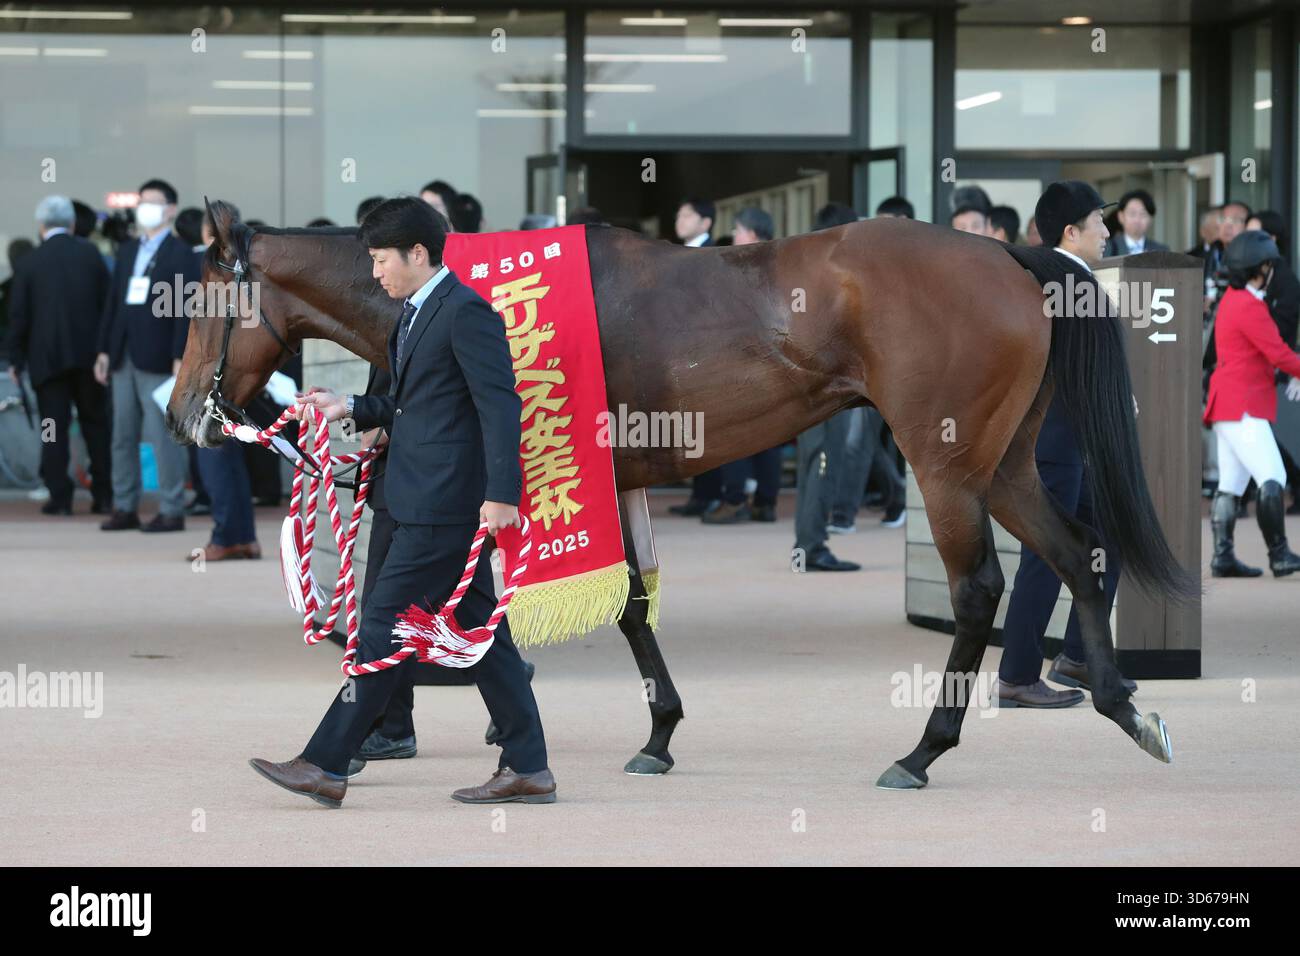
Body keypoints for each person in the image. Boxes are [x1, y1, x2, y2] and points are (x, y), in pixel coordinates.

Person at [250, 197, 554, 807]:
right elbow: (421, 405)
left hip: (443, 505)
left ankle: (325, 763)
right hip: (422, 496)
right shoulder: (413, 313)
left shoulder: (466, 312)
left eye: (382, 259)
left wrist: (502, 495)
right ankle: (528, 766)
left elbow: (501, 408)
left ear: (419, 253)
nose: (376, 272)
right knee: (478, 631)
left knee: (381, 625)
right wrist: (354, 407)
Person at [996, 180, 1138, 708]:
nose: (1107, 229)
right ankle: (1016, 676)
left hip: (1069, 441)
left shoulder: (1067, 278)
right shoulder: (1059, 282)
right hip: (1054, 442)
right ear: (1071, 231)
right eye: (1098, 221)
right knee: (1046, 555)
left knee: (1106, 540)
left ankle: (1080, 658)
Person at [96, 178, 197, 533]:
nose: (144, 208)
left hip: (158, 359)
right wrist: (104, 350)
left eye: (151, 202)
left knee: (161, 437)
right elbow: (114, 303)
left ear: (170, 209)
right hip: (123, 356)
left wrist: (179, 355)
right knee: (121, 435)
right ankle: (124, 505)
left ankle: (171, 508)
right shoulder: (126, 250)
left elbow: (185, 308)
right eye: (141, 202)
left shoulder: (180, 253)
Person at [5, 196, 112, 515]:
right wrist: (105, 351)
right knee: (96, 424)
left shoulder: (30, 262)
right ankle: (103, 495)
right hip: (90, 359)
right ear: (73, 223)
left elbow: (18, 317)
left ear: (41, 226)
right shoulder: (91, 255)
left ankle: (60, 497)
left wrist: (15, 359)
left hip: (47, 361)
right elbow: (108, 306)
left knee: (53, 427)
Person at [1203, 230, 1300, 578]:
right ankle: (1280, 554)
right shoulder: (1250, 306)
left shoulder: (1233, 298)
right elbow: (1280, 354)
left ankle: (1223, 557)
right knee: (1273, 474)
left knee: (1230, 483)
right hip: (1243, 404)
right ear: (1262, 268)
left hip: (1227, 403)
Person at [790, 202, 862, 572]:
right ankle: (812, 545)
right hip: (828, 385)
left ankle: (806, 544)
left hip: (806, 386)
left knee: (811, 464)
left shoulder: (804, 266)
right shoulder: (833, 273)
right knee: (823, 463)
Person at [703, 206, 783, 524]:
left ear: (751, 233)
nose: (734, 236)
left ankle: (734, 499)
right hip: (774, 359)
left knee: (731, 431)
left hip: (739, 359)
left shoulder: (739, 265)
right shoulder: (780, 262)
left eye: (737, 230)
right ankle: (766, 502)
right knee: (772, 432)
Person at [188, 207, 259, 561]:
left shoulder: (213, 264)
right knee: (228, 457)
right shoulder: (246, 265)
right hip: (238, 372)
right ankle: (242, 536)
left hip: (212, 373)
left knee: (214, 456)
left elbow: (196, 322)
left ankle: (228, 535)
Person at [669, 197, 725, 516]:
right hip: (683, 350)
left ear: (706, 223)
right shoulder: (676, 255)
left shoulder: (712, 254)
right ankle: (701, 495)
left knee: (709, 422)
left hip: (705, 348)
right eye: (679, 213)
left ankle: (714, 494)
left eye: (687, 214)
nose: (680, 219)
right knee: (693, 424)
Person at [1103, 189, 1168, 257]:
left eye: (1143, 214)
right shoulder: (1107, 248)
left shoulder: (1161, 251)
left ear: (1150, 219)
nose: (1137, 220)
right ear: (1121, 216)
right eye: (1132, 214)